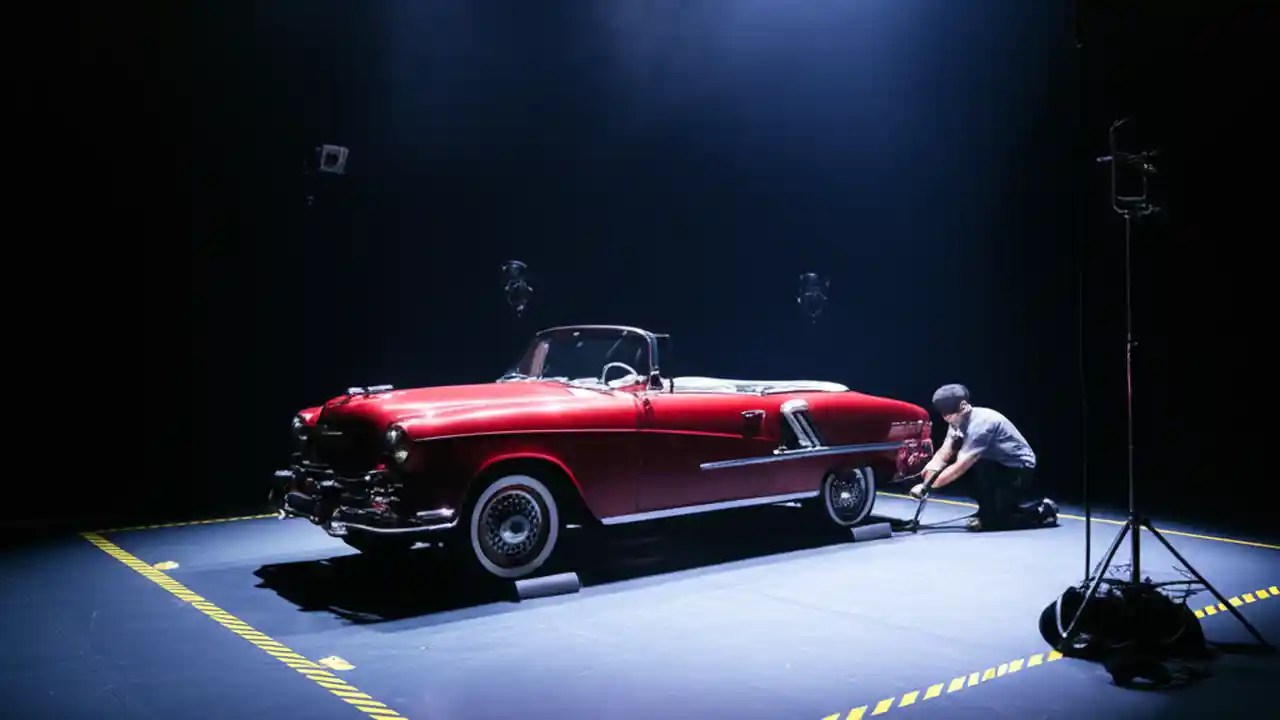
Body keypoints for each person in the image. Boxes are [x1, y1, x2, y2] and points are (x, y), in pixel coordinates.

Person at [910, 383, 1058, 531]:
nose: (947, 419)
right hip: (992, 464)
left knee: (994, 523)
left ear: (963, 406)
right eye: (943, 415)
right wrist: (927, 475)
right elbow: (944, 452)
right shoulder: (956, 420)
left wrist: (926, 487)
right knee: (987, 505)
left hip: (1018, 468)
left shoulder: (982, 425)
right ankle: (990, 510)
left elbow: (960, 467)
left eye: (950, 414)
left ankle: (1043, 510)